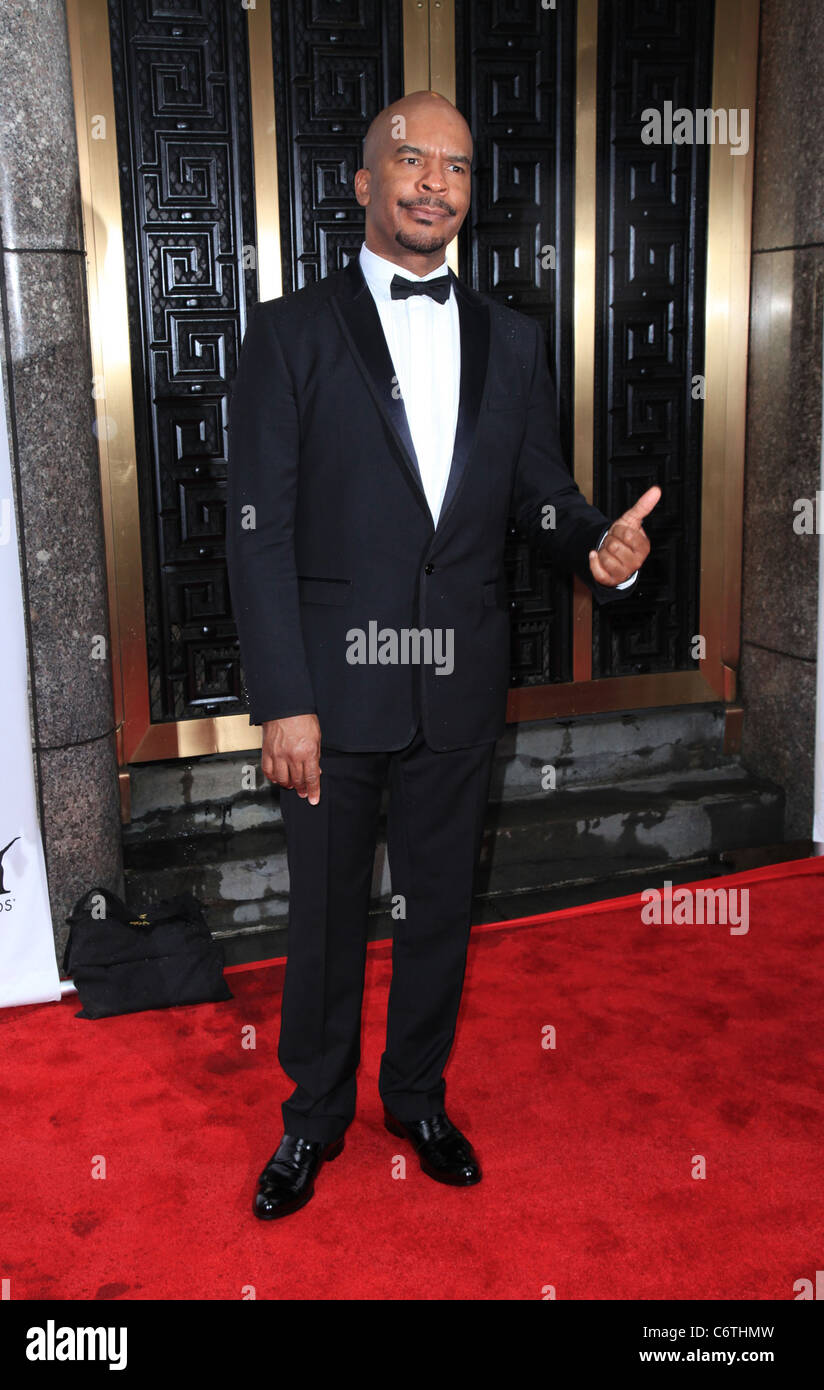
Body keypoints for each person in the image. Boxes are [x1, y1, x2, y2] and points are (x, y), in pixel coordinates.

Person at [225, 90, 658, 1221]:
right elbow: (256, 532)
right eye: (409, 159)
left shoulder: (511, 340)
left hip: (457, 685)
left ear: (470, 193)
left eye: (456, 167)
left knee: (436, 911)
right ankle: (310, 1119)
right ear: (362, 182)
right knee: (323, 921)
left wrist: (596, 550)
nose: (432, 182)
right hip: (328, 690)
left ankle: (414, 1096)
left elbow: (541, 499)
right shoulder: (288, 334)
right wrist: (282, 701)